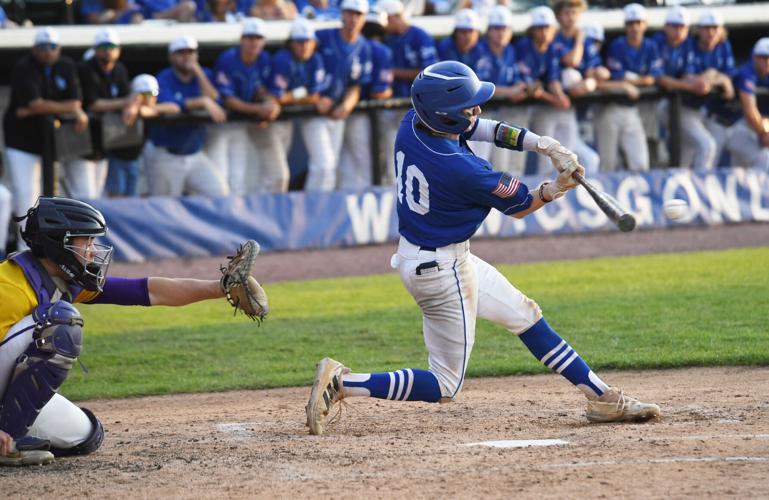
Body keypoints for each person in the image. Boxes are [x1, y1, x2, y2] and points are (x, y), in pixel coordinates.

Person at [306, 61, 660, 436]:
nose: (476, 110)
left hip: (436, 256)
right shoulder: (461, 170)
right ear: (445, 114)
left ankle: (601, 396)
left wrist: (543, 144)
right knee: (445, 386)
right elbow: (524, 205)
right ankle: (343, 383)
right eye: (467, 106)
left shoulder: (414, 123)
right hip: (442, 271)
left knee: (525, 315)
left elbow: (481, 128)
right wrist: (557, 187)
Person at [0, 197, 267, 466]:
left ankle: (11, 431)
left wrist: (219, 288)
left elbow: (147, 290)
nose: (93, 251)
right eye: (86, 241)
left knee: (85, 435)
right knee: (61, 324)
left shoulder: (58, 278)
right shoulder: (9, 287)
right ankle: (9, 436)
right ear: (58, 242)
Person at [2, 28, 88, 251]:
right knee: (25, 196)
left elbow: (75, 101)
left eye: (52, 47)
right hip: (22, 142)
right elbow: (32, 105)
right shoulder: (25, 67)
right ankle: (24, 249)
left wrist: (69, 108)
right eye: (43, 47)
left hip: (52, 143)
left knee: (52, 195)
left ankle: (46, 247)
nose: (48, 52)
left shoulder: (66, 66)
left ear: (58, 49)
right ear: (34, 49)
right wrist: (66, 107)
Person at [207, 19, 288, 194]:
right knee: (219, 179)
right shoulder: (228, 59)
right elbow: (228, 100)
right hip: (220, 124)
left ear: (264, 41)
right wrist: (260, 110)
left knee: (237, 178)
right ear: (242, 39)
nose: (254, 43)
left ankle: (234, 218)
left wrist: (269, 104)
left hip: (241, 125)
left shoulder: (264, 59)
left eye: (258, 38)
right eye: (250, 38)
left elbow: (264, 91)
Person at [145, 35, 229, 197]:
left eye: (190, 52)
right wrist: (201, 102)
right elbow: (172, 105)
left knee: (219, 192)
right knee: (164, 206)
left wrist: (197, 71)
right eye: (180, 53)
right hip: (166, 155)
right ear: (171, 56)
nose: (186, 57)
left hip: (194, 154)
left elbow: (214, 98)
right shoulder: (164, 78)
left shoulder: (203, 74)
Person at [314, 0, 373, 190]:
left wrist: (346, 106)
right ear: (342, 14)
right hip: (313, 109)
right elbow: (301, 65)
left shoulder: (364, 46)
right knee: (323, 165)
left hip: (339, 109)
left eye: (358, 14)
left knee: (337, 164)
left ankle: (330, 208)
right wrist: (314, 97)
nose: (353, 19)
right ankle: (311, 209)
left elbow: (356, 85)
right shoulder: (322, 37)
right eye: (350, 13)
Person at [378, 0, 438, 185]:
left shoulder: (419, 36)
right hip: (391, 106)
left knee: (421, 157)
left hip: (418, 109)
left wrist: (396, 73)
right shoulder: (386, 38)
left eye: (387, 20)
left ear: (394, 17)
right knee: (390, 156)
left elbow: (430, 72)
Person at [598, 3, 662, 172]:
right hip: (611, 108)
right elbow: (618, 76)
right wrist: (636, 80)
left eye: (638, 23)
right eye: (631, 23)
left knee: (640, 163)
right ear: (625, 26)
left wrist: (631, 79)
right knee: (608, 164)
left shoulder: (650, 46)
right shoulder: (617, 45)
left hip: (632, 110)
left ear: (645, 24)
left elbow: (653, 78)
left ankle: (638, 197)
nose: (635, 27)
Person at [73, 29, 135, 200]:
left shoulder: (119, 70)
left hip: (104, 142)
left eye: (112, 46)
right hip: (81, 142)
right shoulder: (85, 68)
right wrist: (126, 102)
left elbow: (128, 97)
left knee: (98, 196)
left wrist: (131, 106)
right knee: (85, 196)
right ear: (95, 49)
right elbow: (93, 104)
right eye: (103, 46)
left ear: (119, 50)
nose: (108, 50)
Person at [337, 8, 394, 189]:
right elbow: (379, 92)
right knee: (370, 161)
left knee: (346, 159)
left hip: (340, 108)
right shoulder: (380, 50)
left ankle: (348, 202)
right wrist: (389, 92)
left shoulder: (354, 44)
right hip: (367, 114)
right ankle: (367, 198)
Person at [268, 19, 326, 189]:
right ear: (291, 43)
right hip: (272, 119)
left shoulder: (315, 59)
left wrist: (292, 95)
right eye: (299, 42)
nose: (304, 46)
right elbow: (276, 96)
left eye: (308, 41)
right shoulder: (282, 59)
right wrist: (302, 93)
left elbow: (315, 95)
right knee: (275, 174)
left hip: (287, 119)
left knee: (279, 173)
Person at [472, 5, 529, 176]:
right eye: (496, 29)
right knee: (481, 164)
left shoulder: (511, 50)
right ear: (489, 31)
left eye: (504, 29)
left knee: (506, 166)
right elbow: (477, 86)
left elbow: (521, 78)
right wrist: (509, 92)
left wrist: (523, 87)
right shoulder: (478, 50)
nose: (501, 33)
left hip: (507, 113)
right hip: (480, 116)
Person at [515, 6, 570, 175]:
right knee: (521, 158)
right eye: (540, 28)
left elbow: (552, 79)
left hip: (539, 105)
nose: (544, 32)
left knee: (564, 152)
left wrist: (560, 96)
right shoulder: (524, 46)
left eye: (547, 27)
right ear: (532, 30)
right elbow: (531, 88)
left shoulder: (552, 48)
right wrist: (555, 99)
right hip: (518, 105)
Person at [107, 74, 182, 197]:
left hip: (135, 159)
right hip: (118, 158)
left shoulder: (150, 108)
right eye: (147, 95)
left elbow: (174, 108)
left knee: (133, 198)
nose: (152, 99)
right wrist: (133, 106)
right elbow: (131, 112)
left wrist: (145, 109)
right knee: (116, 197)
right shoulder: (124, 106)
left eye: (154, 95)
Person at [681, 10, 735, 170]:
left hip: (701, 111)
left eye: (715, 28)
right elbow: (692, 79)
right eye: (706, 28)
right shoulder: (689, 44)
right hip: (680, 108)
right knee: (704, 147)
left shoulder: (723, 46)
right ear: (699, 30)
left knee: (690, 154)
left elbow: (729, 76)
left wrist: (721, 78)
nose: (711, 32)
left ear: (721, 30)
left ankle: (690, 190)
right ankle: (697, 190)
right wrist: (716, 77)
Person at [551, 0, 600, 174]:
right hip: (550, 105)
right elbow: (572, 61)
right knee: (551, 160)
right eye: (567, 12)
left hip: (570, 110)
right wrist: (579, 38)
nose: (571, 17)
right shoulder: (554, 38)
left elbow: (595, 72)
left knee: (585, 159)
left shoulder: (586, 41)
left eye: (574, 13)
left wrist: (590, 82)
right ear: (558, 15)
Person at [707, 38, 769, 170]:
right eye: (763, 57)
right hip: (715, 124)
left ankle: (757, 191)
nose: (767, 62)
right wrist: (763, 132)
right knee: (705, 166)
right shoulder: (746, 72)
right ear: (754, 57)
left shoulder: (764, 76)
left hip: (734, 127)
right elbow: (750, 112)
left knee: (764, 158)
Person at [653, 6, 696, 168]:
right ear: (666, 27)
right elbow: (659, 78)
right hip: (652, 103)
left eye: (682, 27)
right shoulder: (657, 42)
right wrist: (689, 86)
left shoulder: (688, 44)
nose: (678, 31)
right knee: (654, 148)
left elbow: (689, 74)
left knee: (684, 144)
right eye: (674, 26)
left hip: (674, 104)